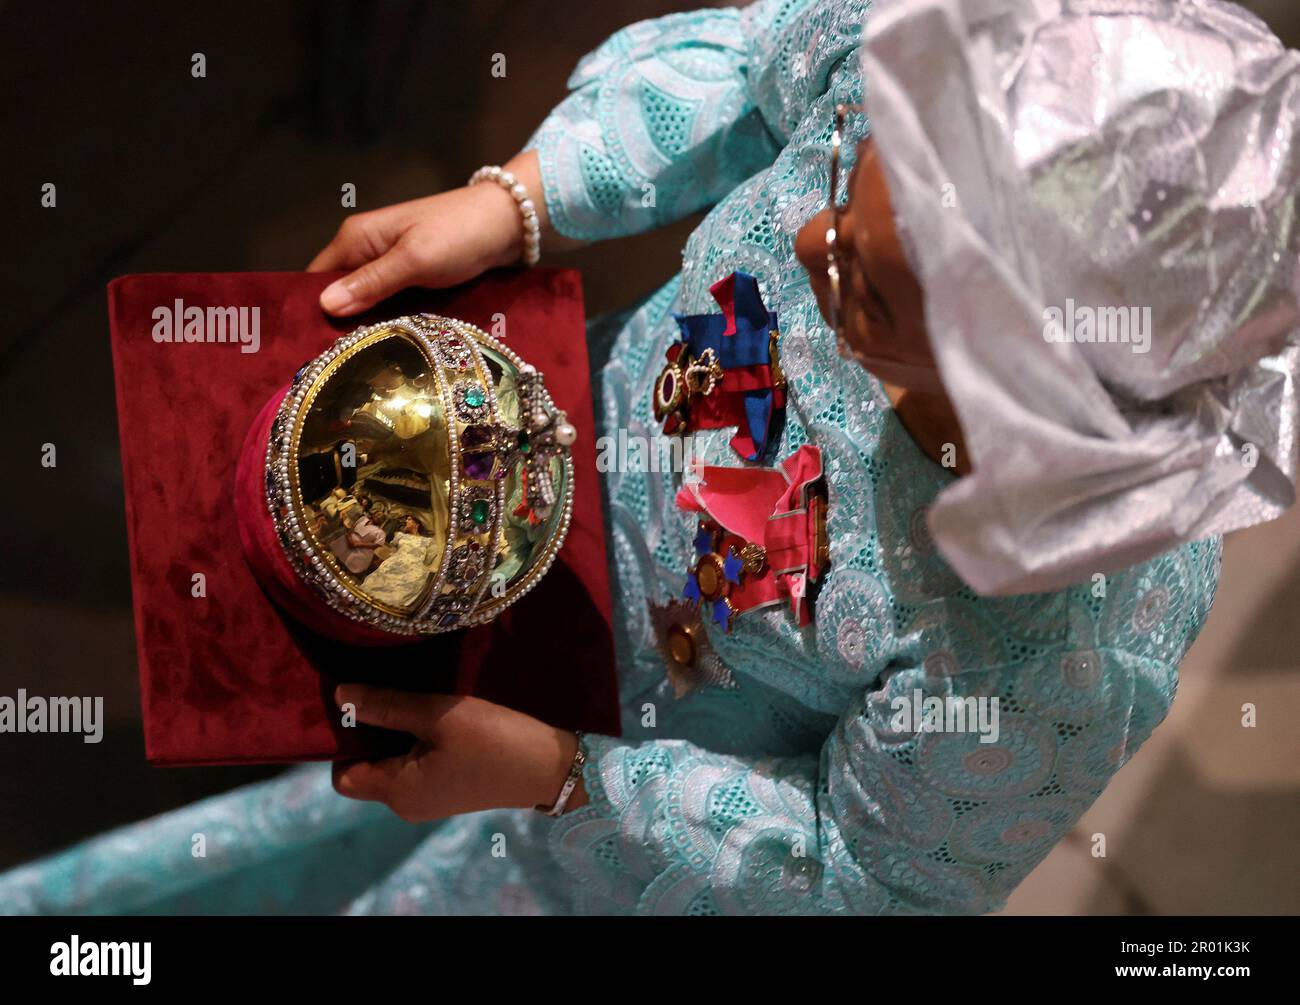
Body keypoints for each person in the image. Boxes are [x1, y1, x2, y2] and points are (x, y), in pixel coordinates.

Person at [4, 0, 1282, 916]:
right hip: (519, 514)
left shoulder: (1043, 655)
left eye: (873, 299)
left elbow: (870, 875)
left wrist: (563, 783)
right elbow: (749, 71)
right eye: (849, 181)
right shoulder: (936, 94)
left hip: (607, 796)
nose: (817, 238)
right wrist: (519, 197)